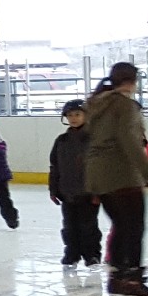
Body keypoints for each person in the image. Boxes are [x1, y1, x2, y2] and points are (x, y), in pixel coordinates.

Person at [84, 62, 148, 296]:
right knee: (134, 226)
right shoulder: (125, 106)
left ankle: (118, 276)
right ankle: (131, 278)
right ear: (133, 80)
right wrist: (147, 171)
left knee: (122, 225)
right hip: (121, 174)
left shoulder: (96, 104)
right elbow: (130, 140)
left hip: (98, 174)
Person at [49, 102, 100, 269]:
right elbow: (55, 166)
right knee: (69, 226)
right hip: (67, 191)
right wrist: (53, 189)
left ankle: (92, 254)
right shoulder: (62, 141)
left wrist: (98, 191)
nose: (73, 119)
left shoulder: (94, 139)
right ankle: (71, 253)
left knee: (88, 226)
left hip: (88, 192)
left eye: (77, 115)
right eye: (70, 115)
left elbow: (101, 166)